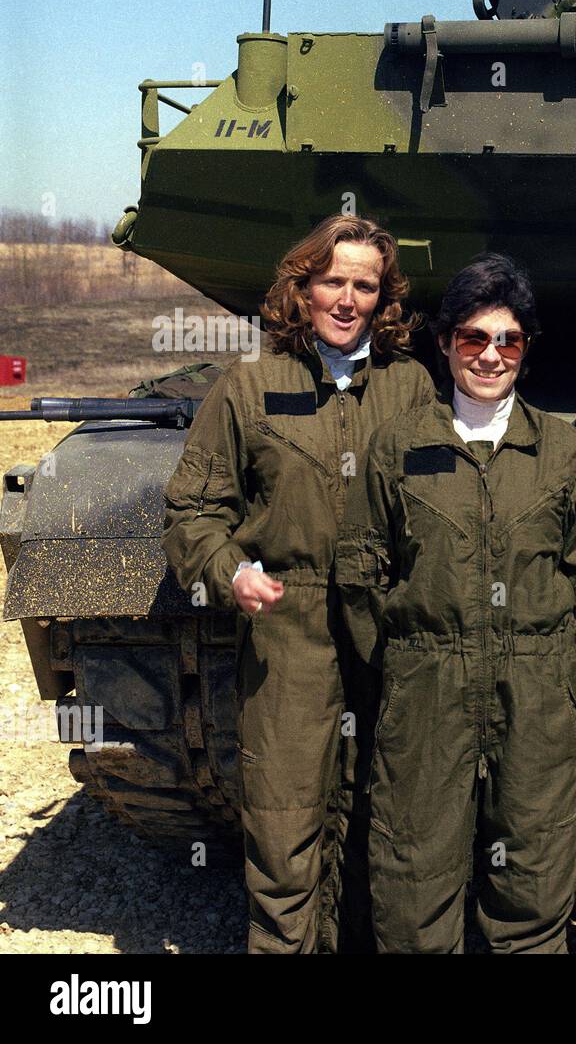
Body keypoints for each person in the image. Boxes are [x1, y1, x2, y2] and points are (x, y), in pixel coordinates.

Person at [162, 215, 434, 953]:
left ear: (383, 297)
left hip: (384, 626)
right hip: (288, 623)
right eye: (332, 281)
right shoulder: (251, 384)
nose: (347, 299)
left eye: (364, 286)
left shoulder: (410, 387)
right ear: (302, 286)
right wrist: (232, 571)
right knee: (284, 826)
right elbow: (193, 511)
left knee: (383, 812)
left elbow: (436, 507)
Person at [335, 253, 576, 953]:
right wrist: (404, 662)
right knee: (414, 872)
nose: (490, 355)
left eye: (508, 340)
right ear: (446, 343)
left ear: (526, 348)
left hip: (536, 689)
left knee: (536, 867)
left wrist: (560, 658)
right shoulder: (398, 446)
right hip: (426, 684)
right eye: (473, 337)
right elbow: (361, 571)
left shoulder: (563, 451)